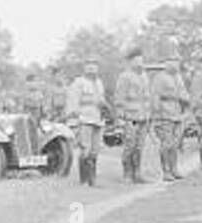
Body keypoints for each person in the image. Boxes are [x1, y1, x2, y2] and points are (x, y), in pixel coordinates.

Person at [65, 56, 108, 186]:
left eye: (94, 65)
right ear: (84, 68)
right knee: (85, 149)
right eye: (88, 65)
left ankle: (92, 179)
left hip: (98, 120)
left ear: (98, 68)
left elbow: (101, 100)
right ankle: (84, 180)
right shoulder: (78, 83)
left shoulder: (99, 83)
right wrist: (74, 121)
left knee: (95, 150)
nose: (91, 68)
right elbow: (72, 103)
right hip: (84, 120)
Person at [113, 47, 151, 184]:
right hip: (130, 117)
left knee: (140, 146)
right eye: (136, 59)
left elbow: (147, 97)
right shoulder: (125, 76)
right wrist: (120, 118)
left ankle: (137, 173)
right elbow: (119, 98)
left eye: (141, 59)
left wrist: (149, 114)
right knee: (130, 145)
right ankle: (127, 174)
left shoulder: (144, 76)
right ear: (130, 61)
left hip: (143, 117)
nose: (140, 62)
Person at [150, 53, 189, 181]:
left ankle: (174, 169)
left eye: (177, 61)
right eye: (172, 61)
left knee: (175, 144)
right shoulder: (160, 77)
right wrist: (156, 114)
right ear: (166, 63)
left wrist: (186, 103)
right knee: (166, 144)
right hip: (164, 115)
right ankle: (166, 171)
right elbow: (155, 96)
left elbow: (183, 93)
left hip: (177, 114)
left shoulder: (178, 77)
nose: (175, 64)